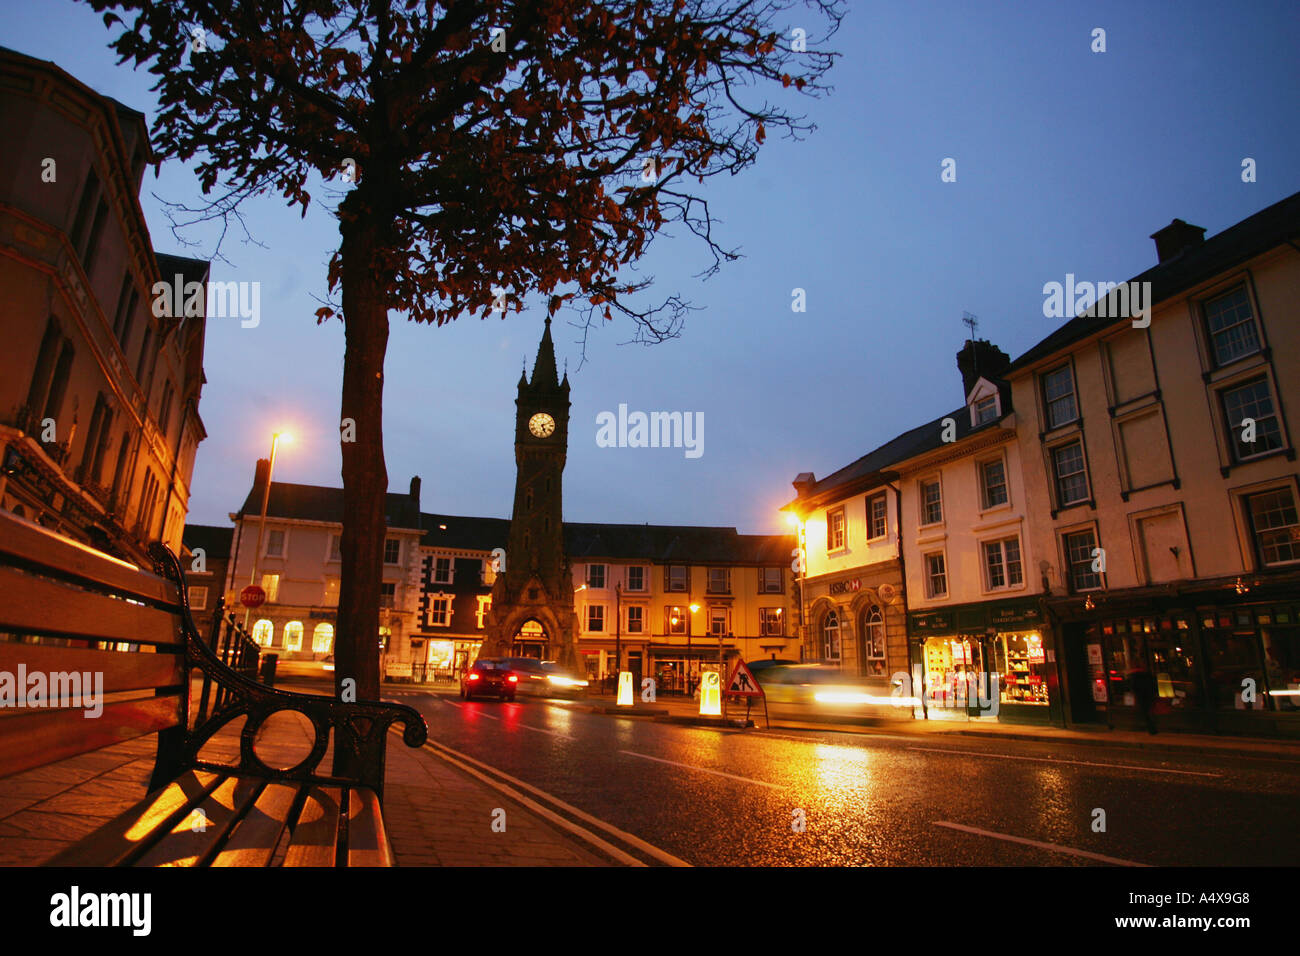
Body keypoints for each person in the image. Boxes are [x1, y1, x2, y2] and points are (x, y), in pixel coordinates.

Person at [1128, 662, 1158, 734]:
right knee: (1148, 711)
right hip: (1148, 695)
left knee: (1145, 712)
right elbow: (1153, 685)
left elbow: (1133, 687)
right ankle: (1151, 727)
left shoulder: (1134, 676)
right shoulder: (1147, 674)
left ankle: (1149, 727)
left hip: (1141, 696)